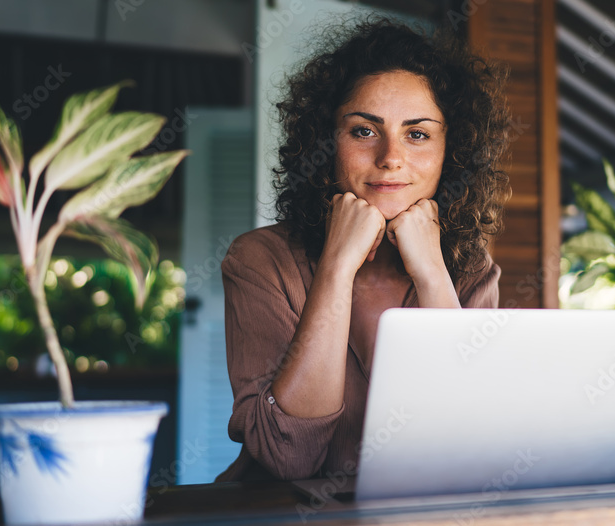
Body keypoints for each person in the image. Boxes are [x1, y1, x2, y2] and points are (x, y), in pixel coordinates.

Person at [215, 18, 512, 482]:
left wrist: (433, 273)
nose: (391, 156)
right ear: (325, 143)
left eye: (417, 134)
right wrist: (336, 266)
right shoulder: (259, 260)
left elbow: (473, 442)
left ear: (450, 152)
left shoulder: (472, 272)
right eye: (363, 131)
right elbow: (288, 459)